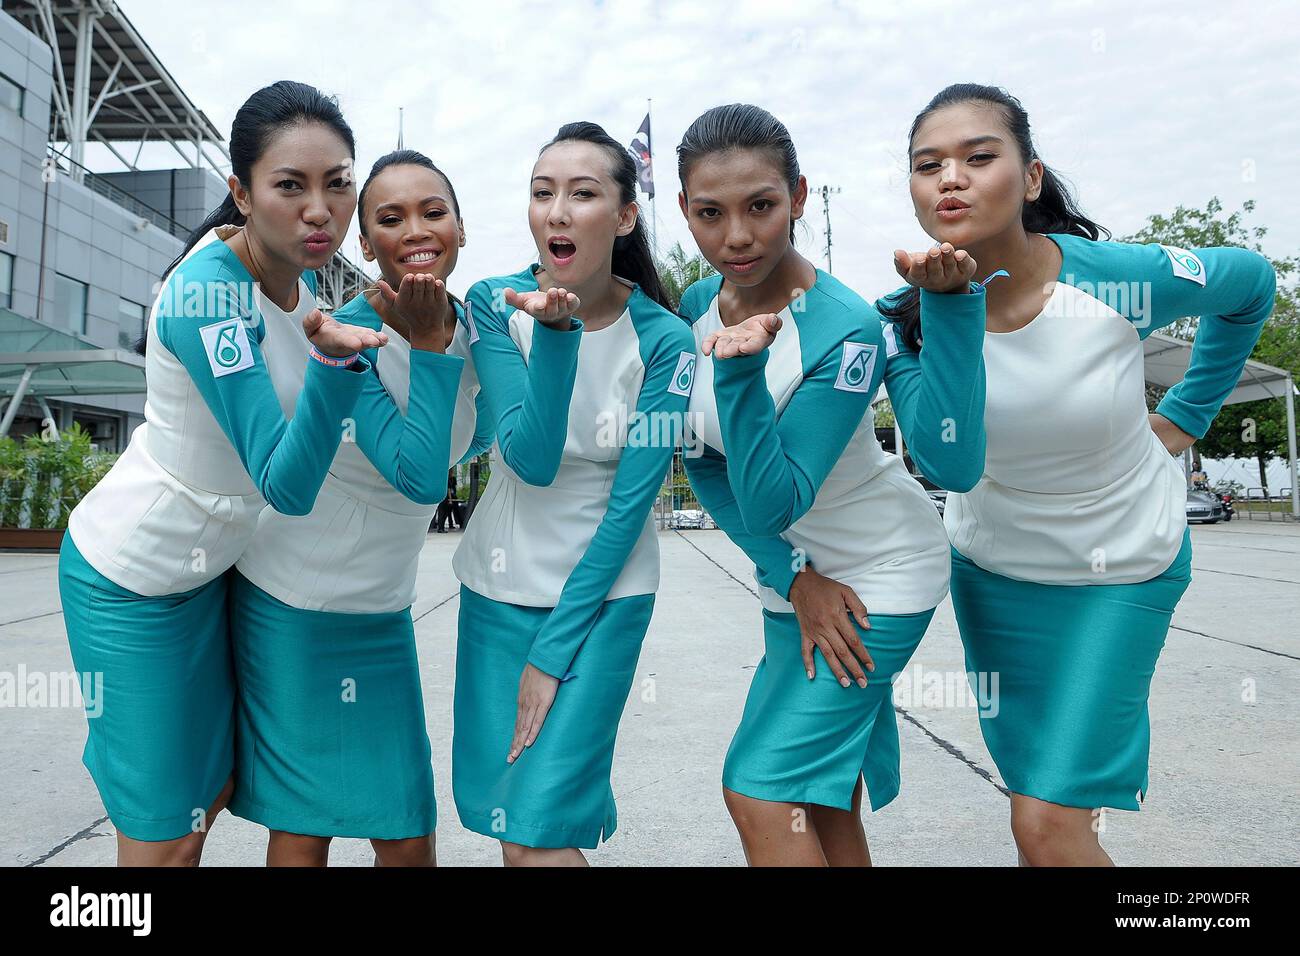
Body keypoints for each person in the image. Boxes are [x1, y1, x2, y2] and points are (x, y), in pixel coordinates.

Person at [880, 83, 1276, 865]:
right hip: (996, 575)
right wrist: (953, 310)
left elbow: (1250, 285)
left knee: (1046, 825)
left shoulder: (1116, 279)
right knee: (1044, 810)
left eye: (978, 157)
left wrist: (1189, 415)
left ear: (1030, 178)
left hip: (1127, 565)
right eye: (929, 165)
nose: (951, 178)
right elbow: (952, 464)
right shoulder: (903, 320)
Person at [57, 80, 385, 866]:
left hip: (210, 577)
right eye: (289, 186)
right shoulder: (208, 294)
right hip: (132, 578)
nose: (320, 209)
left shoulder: (298, 288)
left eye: (338, 184)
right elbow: (283, 480)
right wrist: (334, 368)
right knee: (166, 835)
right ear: (240, 192)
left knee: (205, 804)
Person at [676, 104, 987, 866]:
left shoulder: (844, 326)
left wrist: (742, 373)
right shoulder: (695, 307)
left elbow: (780, 497)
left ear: (801, 196)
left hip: (880, 570)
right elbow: (705, 461)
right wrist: (790, 577)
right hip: (800, 579)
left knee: (760, 791)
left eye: (762, 206)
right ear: (684, 210)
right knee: (821, 794)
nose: (738, 236)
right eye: (710, 214)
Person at [228, 149, 492, 866]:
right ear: (366, 243)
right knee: (304, 826)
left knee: (407, 832)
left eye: (433, 211)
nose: (416, 230)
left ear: (462, 229)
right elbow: (415, 475)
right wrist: (429, 347)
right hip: (294, 600)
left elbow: (507, 436)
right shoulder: (350, 334)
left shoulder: (478, 331)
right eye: (390, 218)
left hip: (380, 610)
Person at [451, 121, 695, 866]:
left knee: (540, 836)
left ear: (623, 218)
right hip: (496, 592)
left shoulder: (666, 342)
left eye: (582, 194)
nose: (557, 211)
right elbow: (527, 460)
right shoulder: (494, 303)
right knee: (514, 825)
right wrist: (554, 339)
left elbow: (630, 508)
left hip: (604, 601)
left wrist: (554, 652)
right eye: (542, 192)